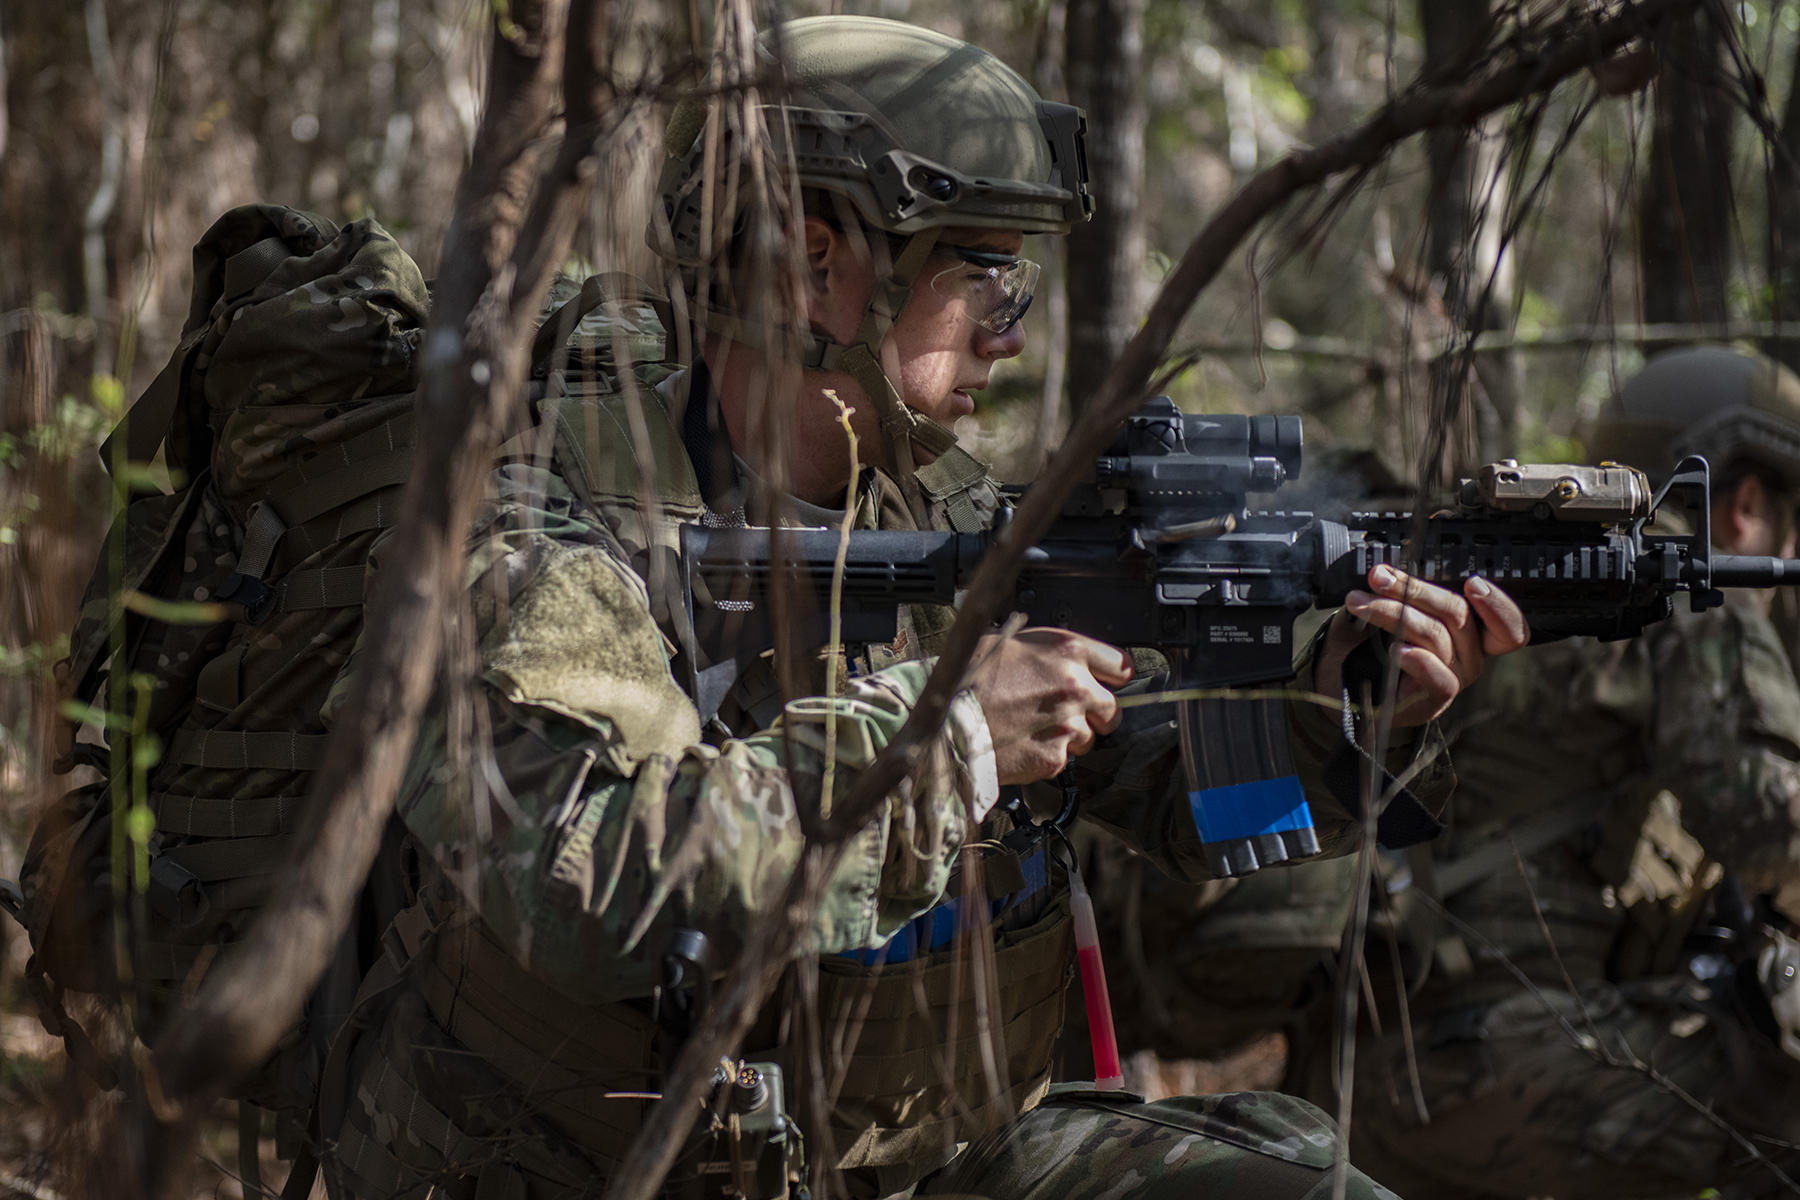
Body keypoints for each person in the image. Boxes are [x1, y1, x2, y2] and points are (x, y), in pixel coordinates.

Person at [319, 17, 1524, 1199]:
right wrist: (949, 740)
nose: (1010, 335)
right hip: (589, 1164)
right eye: (984, 274)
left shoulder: (948, 509)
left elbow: (1169, 793)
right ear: (815, 263)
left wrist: (1353, 717)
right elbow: (584, 881)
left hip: (910, 1154)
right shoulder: (533, 515)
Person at [1285, 346, 1800, 1199]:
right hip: (1499, 1061)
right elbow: (1774, 828)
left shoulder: (1507, 567)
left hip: (1356, 1079)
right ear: (1745, 506)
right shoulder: (1685, 586)